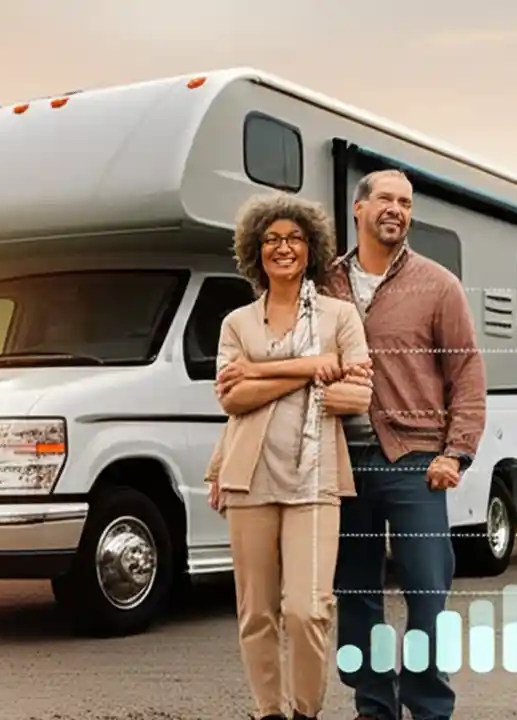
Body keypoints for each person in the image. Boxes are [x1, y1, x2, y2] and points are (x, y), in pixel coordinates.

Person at [321, 169, 487, 720]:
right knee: (356, 594)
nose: (397, 209)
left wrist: (455, 451)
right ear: (359, 208)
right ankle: (374, 707)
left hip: (415, 461)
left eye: (406, 203)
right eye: (386, 199)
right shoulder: (325, 283)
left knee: (426, 591)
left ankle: (429, 706)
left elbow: (466, 372)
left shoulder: (437, 285)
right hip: (342, 462)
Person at [204, 192, 375, 720]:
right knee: (256, 612)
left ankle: (304, 712)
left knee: (307, 609)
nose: (283, 247)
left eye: (295, 238)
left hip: (316, 479)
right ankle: (268, 712)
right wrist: (310, 368)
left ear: (311, 248)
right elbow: (232, 398)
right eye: (272, 239)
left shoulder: (339, 316)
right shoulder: (237, 323)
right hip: (248, 477)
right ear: (255, 251)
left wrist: (259, 370)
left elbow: (357, 394)